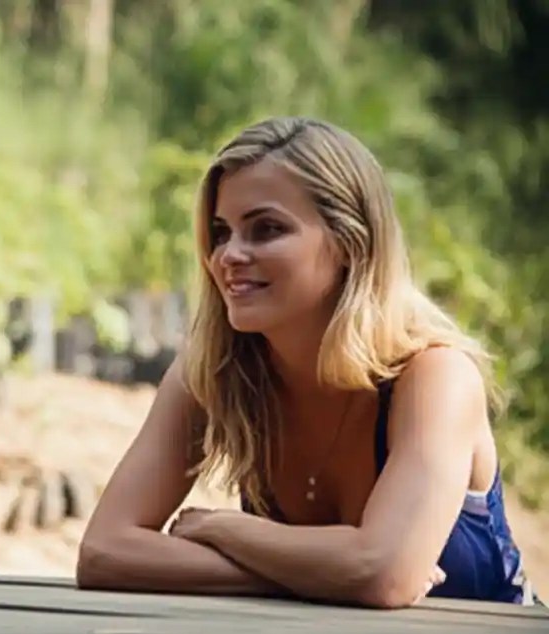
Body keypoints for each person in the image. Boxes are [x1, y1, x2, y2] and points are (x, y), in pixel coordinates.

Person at [77, 116, 535, 609]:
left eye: (266, 229)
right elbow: (104, 552)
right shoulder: (215, 368)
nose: (229, 254)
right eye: (220, 232)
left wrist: (222, 528)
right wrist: (313, 574)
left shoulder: (434, 377)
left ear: (348, 243)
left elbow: (381, 573)